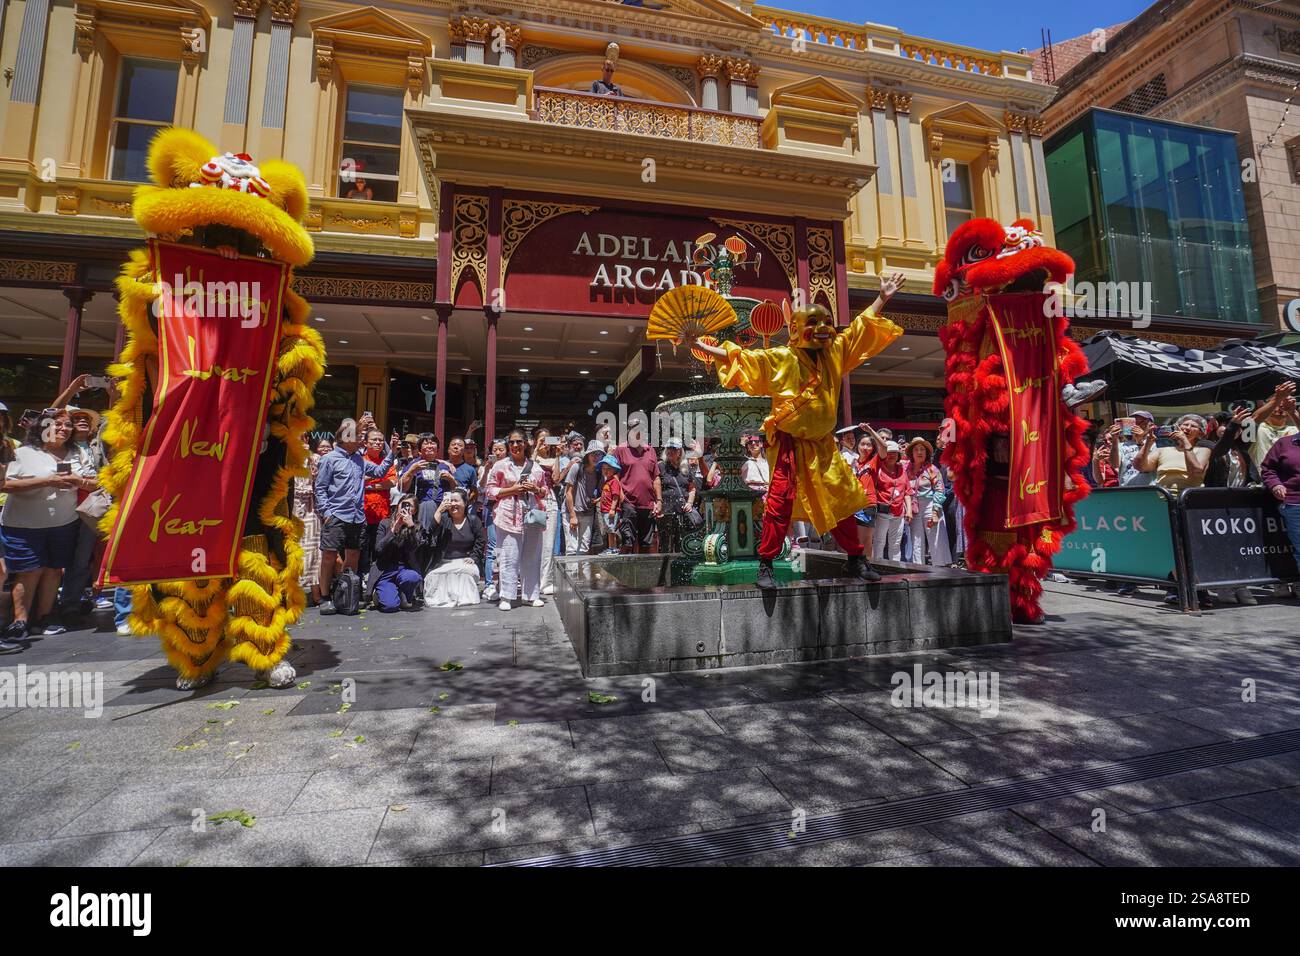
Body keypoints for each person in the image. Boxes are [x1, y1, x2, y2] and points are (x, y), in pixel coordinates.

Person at [687, 273, 905, 588]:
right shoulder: (783, 358)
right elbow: (745, 358)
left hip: (823, 447)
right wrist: (699, 345)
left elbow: (860, 328)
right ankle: (766, 565)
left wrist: (882, 298)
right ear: (796, 330)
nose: (823, 329)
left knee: (841, 500)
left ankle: (856, 560)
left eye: (826, 323)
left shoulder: (835, 352)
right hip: (789, 444)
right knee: (779, 503)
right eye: (814, 324)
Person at [1, 408, 93, 644]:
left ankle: (45, 617)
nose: (63, 429)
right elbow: (5, 485)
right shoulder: (23, 453)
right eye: (56, 424)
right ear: (42, 428)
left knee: (54, 570)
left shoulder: (77, 453)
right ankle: (19, 621)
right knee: (29, 572)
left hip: (64, 523)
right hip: (24, 525)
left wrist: (79, 481)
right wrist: (47, 481)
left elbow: (96, 481)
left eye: (67, 425)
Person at [314, 416, 395, 614]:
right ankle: (325, 597)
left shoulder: (359, 459)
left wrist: (391, 449)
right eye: (357, 435)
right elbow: (320, 488)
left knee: (353, 556)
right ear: (345, 437)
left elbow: (380, 470)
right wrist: (327, 513)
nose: (360, 438)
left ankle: (346, 594)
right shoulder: (329, 459)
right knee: (329, 557)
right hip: (336, 515)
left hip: (357, 517)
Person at [486, 429, 548, 610]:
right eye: (512, 442)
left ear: (526, 444)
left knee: (532, 556)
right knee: (508, 556)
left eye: (519, 442)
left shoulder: (536, 467)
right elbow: (489, 491)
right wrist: (511, 490)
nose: (515, 445)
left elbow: (545, 490)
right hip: (507, 515)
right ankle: (506, 596)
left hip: (531, 515)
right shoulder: (500, 466)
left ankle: (531, 594)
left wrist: (535, 489)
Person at [55, 406, 107, 618]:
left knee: (86, 556)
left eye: (86, 418)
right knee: (71, 559)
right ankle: (68, 600)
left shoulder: (97, 444)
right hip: (64, 507)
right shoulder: (59, 446)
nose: (83, 421)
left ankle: (78, 599)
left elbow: (108, 424)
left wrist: (113, 396)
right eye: (77, 418)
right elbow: (46, 418)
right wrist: (70, 390)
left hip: (91, 508)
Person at [1261, 393, 1300, 600]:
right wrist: (1275, 485)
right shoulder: (1284, 443)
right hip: (1295, 503)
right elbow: (1267, 469)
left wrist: (1293, 411)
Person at [400, 433, 455, 572]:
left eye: (432, 443)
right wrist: (412, 470)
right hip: (423, 510)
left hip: (442, 509)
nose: (429, 446)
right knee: (424, 541)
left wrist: (451, 479)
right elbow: (402, 487)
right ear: (419, 448)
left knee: (440, 544)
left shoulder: (444, 466)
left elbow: (455, 489)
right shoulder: (414, 464)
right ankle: (421, 570)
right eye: (426, 443)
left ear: (437, 448)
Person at [424, 490, 486, 607]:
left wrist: (474, 557)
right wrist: (438, 511)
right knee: (434, 575)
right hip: (444, 561)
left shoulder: (473, 520)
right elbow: (430, 532)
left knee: (466, 571)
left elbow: (480, 541)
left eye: (456, 501)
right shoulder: (443, 519)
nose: (453, 504)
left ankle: (464, 599)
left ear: (465, 503)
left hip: (465, 560)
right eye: (450, 501)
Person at [371, 495, 424, 612]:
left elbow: (415, 549)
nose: (405, 507)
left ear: (414, 510)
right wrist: (393, 530)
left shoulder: (416, 526)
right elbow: (378, 549)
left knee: (413, 577)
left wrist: (411, 527)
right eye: (403, 504)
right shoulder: (385, 523)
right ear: (398, 505)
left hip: (403, 569)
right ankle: (382, 594)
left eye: (409, 505)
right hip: (385, 570)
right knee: (390, 606)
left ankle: (404, 592)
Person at [615, 420, 659, 554]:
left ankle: (644, 574)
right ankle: (623, 574)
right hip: (628, 502)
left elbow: (656, 477)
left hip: (648, 504)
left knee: (647, 544)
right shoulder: (621, 449)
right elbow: (614, 476)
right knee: (627, 542)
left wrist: (659, 501)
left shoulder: (650, 450)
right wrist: (622, 498)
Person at [864, 429, 908, 562]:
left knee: (895, 544)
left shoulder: (901, 469)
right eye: (889, 453)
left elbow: (907, 490)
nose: (892, 455)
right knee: (879, 542)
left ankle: (896, 568)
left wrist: (909, 510)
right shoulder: (877, 467)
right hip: (882, 511)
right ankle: (879, 566)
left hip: (898, 511)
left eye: (895, 453)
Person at [905, 437, 951, 566]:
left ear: (926, 453)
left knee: (936, 538)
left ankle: (940, 571)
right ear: (911, 453)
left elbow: (940, 490)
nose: (919, 452)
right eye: (916, 449)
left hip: (930, 505)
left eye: (922, 449)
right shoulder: (905, 469)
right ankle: (917, 570)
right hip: (913, 507)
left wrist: (935, 511)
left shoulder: (932, 469)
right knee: (916, 539)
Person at [359, 429, 396, 582]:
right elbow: (356, 479)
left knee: (378, 548)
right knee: (362, 549)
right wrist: (378, 482)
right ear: (365, 443)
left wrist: (368, 485)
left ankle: (376, 581)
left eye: (381, 440)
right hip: (362, 513)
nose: (378, 443)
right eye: (374, 440)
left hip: (382, 513)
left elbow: (392, 482)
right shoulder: (359, 460)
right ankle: (360, 579)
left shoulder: (387, 460)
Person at [532, 427, 562, 594]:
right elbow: (527, 470)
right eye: (541, 439)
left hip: (550, 500)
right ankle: (530, 579)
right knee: (532, 542)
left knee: (548, 544)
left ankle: (545, 581)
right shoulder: (531, 458)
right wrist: (536, 449)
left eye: (547, 440)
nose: (545, 443)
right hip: (534, 500)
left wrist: (557, 455)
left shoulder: (552, 459)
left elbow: (556, 479)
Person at [656, 438, 698, 553]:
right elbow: (655, 485)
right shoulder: (661, 467)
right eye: (668, 448)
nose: (670, 451)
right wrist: (658, 503)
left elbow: (692, 489)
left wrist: (689, 503)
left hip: (683, 513)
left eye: (673, 449)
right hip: (666, 512)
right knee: (665, 545)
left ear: (680, 451)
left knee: (682, 545)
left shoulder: (686, 468)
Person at [564, 440, 605, 556]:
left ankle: (581, 574)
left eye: (599, 454)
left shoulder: (599, 472)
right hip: (571, 512)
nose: (596, 457)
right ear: (588, 455)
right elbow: (568, 492)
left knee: (583, 549)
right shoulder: (577, 467)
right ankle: (572, 574)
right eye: (593, 454)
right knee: (572, 549)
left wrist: (597, 499)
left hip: (588, 512)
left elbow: (603, 492)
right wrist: (572, 516)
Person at [1249, 381, 1299, 473]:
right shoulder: (1259, 429)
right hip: (1264, 483)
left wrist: (1292, 411)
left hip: (1291, 483)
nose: (1280, 406)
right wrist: (1277, 398)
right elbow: (1250, 423)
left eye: (1284, 403)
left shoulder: (1294, 429)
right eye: (1278, 404)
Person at [479, 437, 507, 599]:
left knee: (506, 547)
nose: (497, 452)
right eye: (495, 449)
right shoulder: (486, 467)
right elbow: (481, 487)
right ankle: (489, 584)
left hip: (508, 510)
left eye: (501, 449)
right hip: (491, 509)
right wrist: (487, 470)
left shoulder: (511, 466)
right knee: (493, 546)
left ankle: (504, 582)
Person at [294, 453, 323, 605]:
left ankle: (317, 595)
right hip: (292, 509)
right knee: (292, 552)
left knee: (313, 552)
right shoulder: (287, 458)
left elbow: (320, 481)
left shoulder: (314, 458)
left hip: (311, 508)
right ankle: (290, 595)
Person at [851, 432, 878, 556]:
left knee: (865, 541)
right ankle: (861, 567)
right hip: (852, 505)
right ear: (857, 445)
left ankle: (867, 566)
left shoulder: (874, 460)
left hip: (867, 505)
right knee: (855, 541)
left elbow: (884, 448)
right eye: (862, 444)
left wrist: (870, 430)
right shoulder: (852, 462)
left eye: (869, 445)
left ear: (873, 448)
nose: (865, 448)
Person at [597, 454, 624, 553]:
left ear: (614, 470)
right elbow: (606, 495)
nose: (605, 471)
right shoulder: (607, 481)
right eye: (604, 468)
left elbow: (616, 496)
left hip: (610, 510)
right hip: (605, 510)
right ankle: (611, 547)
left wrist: (612, 509)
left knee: (611, 530)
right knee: (609, 530)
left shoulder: (614, 482)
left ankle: (613, 548)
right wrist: (597, 500)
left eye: (608, 468)